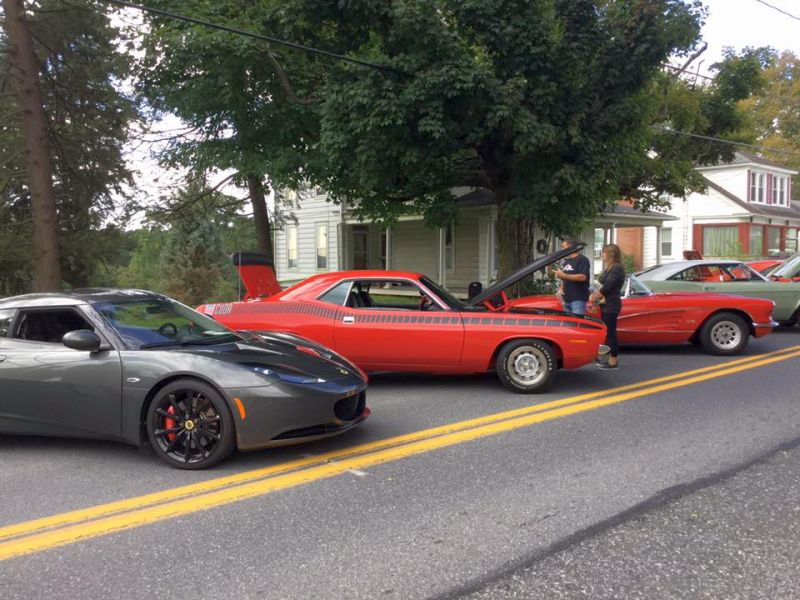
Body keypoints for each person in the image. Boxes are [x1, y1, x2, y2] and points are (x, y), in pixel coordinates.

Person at [590, 243, 625, 370]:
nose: (602, 254)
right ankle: (608, 358)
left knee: (610, 332)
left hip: (612, 304)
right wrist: (594, 300)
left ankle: (613, 361)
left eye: (604, 252)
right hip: (605, 304)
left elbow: (608, 286)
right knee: (607, 332)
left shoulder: (617, 268)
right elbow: (599, 284)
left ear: (611, 254)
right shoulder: (608, 268)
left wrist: (595, 296)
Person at [553, 239, 590, 315]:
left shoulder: (582, 259)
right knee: (568, 325)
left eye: (564, 247)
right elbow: (565, 279)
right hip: (566, 299)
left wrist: (563, 275)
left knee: (577, 324)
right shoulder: (567, 261)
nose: (562, 249)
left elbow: (583, 277)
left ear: (571, 247)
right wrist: (560, 290)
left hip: (578, 299)